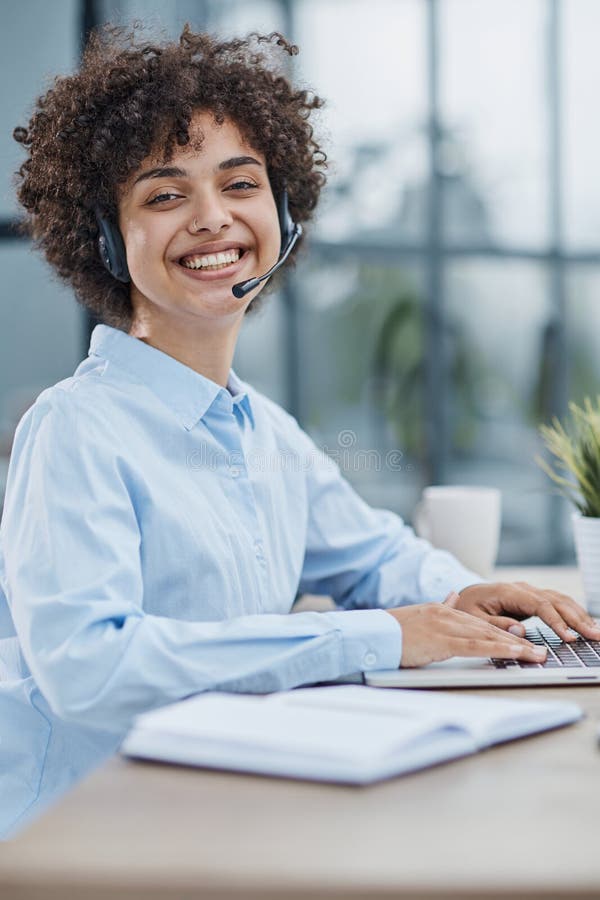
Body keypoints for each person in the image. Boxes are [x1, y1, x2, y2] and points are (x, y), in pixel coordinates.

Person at [1, 23, 598, 839]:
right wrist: (379, 636)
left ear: (284, 214)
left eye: (240, 184)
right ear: (107, 239)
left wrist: (457, 592)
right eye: (165, 194)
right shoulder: (74, 430)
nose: (213, 219)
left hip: (224, 817)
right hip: (80, 839)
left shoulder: (263, 431)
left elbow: (373, 555)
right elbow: (91, 670)